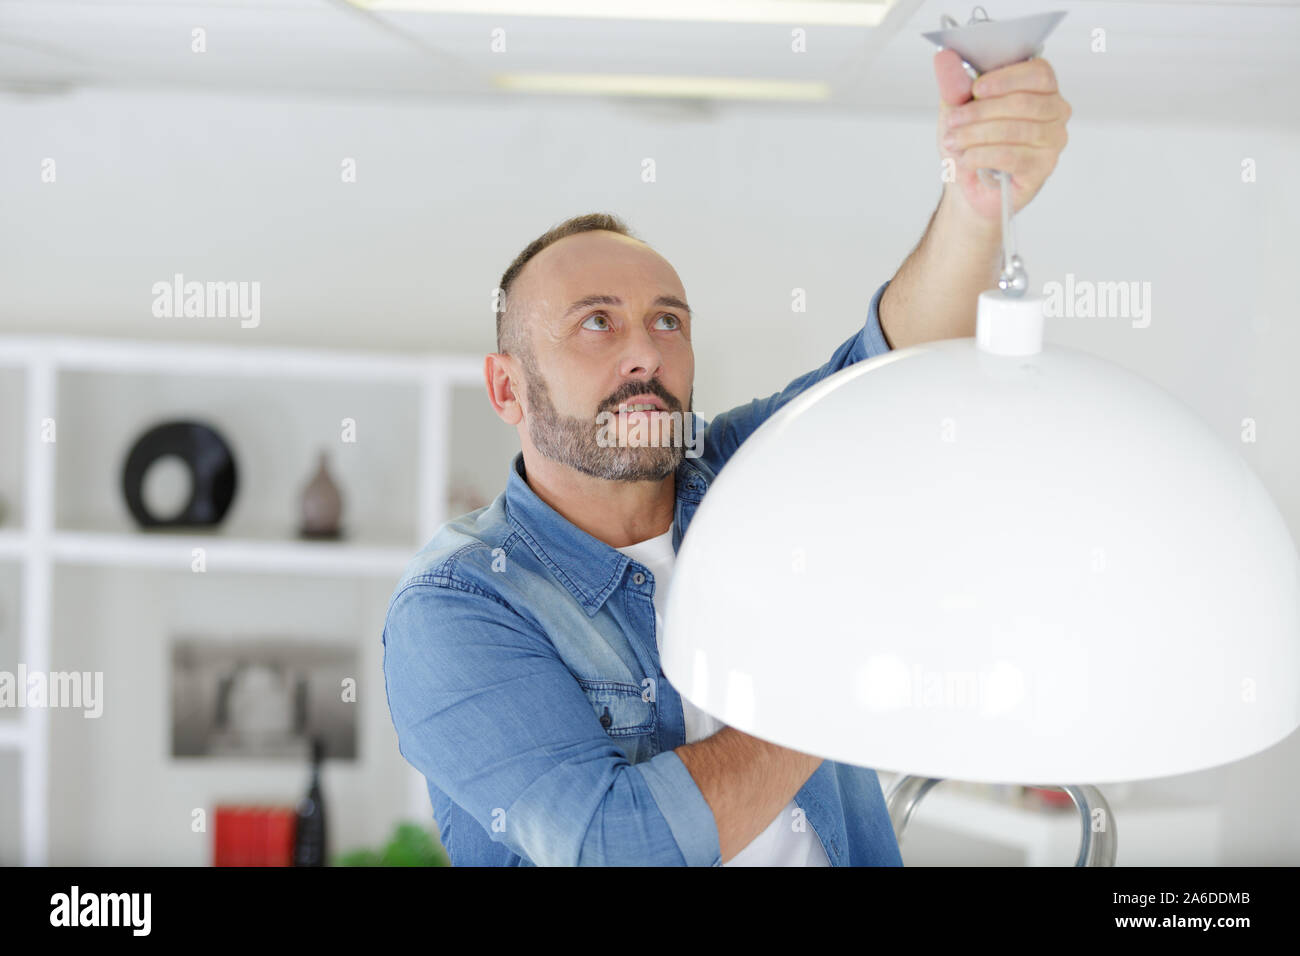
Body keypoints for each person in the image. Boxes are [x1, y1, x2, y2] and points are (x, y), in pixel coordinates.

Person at [382, 52, 1071, 866]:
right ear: (507, 388)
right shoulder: (459, 605)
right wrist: (843, 682)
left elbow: (896, 375)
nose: (645, 352)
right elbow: (615, 847)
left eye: (668, 321)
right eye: (596, 323)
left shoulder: (747, 472)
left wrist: (977, 201)